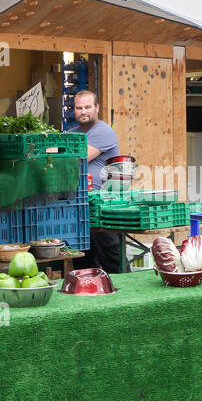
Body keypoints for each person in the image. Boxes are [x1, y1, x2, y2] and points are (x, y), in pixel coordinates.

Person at [70, 90, 122, 274]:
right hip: (81, 206)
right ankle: (89, 292)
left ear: (97, 108)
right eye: (79, 108)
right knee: (83, 258)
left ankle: (125, 294)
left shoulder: (103, 131)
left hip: (103, 206)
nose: (83, 111)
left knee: (111, 256)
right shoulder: (73, 133)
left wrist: (56, 152)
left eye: (87, 107)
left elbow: (76, 157)